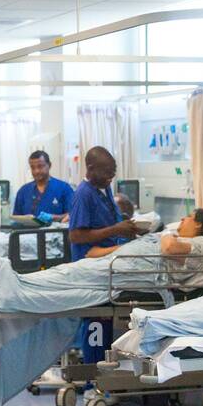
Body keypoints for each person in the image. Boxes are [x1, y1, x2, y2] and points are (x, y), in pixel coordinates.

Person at [68, 146, 147, 366]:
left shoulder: (104, 187)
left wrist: (130, 228)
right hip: (91, 264)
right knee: (96, 319)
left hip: (107, 264)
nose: (111, 177)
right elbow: (76, 236)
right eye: (106, 173)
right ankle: (92, 375)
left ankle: (105, 373)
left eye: (113, 172)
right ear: (91, 169)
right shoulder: (83, 195)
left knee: (104, 321)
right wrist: (116, 230)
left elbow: (109, 220)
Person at [12, 151, 75, 223]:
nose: (36, 171)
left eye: (40, 166)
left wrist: (53, 217)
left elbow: (73, 214)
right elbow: (16, 219)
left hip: (55, 233)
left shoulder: (64, 189)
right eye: (33, 168)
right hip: (28, 233)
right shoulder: (23, 191)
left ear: (49, 165)